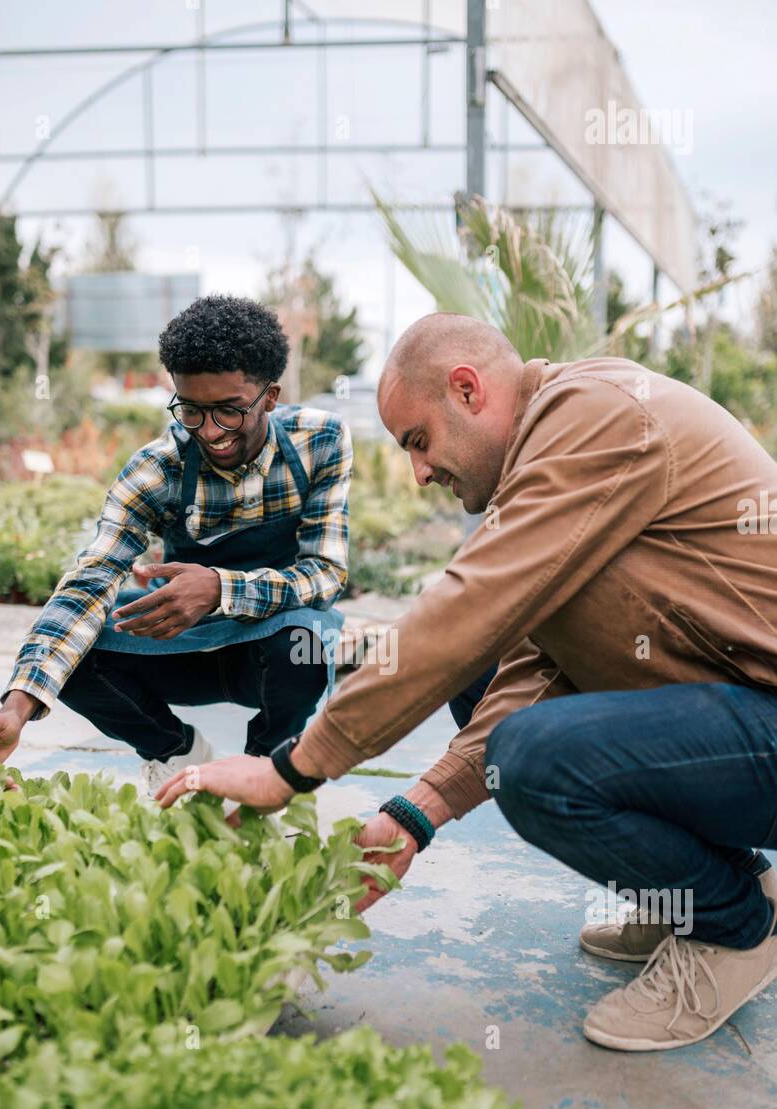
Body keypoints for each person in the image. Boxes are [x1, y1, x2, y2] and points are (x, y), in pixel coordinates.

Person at [155, 311, 777, 1054]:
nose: (419, 473)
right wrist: (413, 816)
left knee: (531, 757)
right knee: (484, 686)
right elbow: (538, 670)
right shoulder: (551, 448)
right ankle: (716, 886)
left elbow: (467, 609)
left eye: (419, 441)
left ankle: (734, 927)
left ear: (468, 389)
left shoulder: (599, 419)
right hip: (736, 716)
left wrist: (291, 769)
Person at [0, 295, 351, 796]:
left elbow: (326, 573)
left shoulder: (321, 440)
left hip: (270, 653)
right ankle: (178, 753)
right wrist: (17, 707)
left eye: (228, 411)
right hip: (188, 646)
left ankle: (266, 776)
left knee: (306, 644)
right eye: (191, 410)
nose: (209, 432)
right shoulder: (157, 468)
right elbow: (89, 580)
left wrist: (221, 589)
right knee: (72, 653)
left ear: (269, 397)